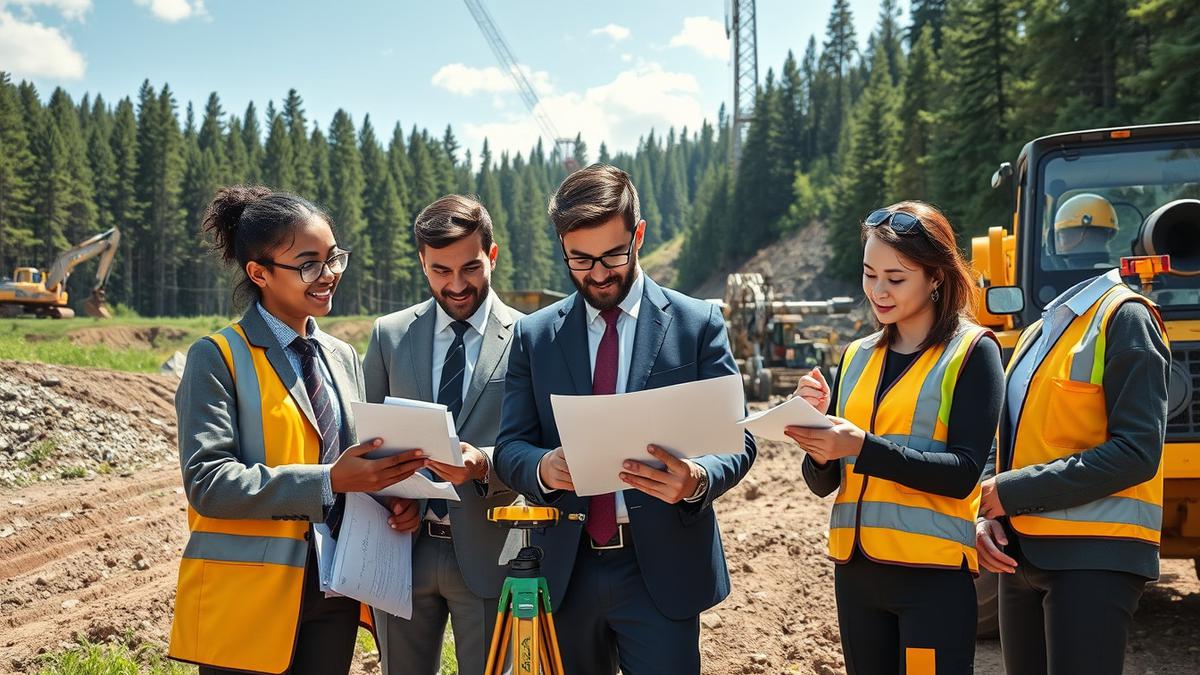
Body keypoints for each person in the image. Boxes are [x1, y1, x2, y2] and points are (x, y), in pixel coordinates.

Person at [493, 164, 756, 675]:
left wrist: (697, 479)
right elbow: (509, 449)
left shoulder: (697, 324)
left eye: (612, 255)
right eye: (580, 259)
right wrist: (545, 468)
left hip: (660, 568)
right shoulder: (534, 335)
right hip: (567, 569)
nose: (596, 273)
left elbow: (738, 442)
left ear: (638, 235)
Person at [167, 185, 423, 675]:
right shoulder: (216, 357)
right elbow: (208, 482)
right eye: (308, 264)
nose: (328, 276)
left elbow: (351, 460)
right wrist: (329, 481)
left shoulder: (342, 356)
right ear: (259, 273)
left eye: (333, 259)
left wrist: (391, 497)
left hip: (335, 587)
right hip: (248, 596)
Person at [789, 201, 1004, 675]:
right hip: (856, 576)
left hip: (930, 581)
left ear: (935, 278)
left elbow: (964, 474)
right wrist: (819, 440)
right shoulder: (856, 357)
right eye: (869, 275)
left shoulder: (973, 353)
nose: (878, 291)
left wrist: (861, 447)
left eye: (895, 278)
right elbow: (825, 483)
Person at [976, 265, 1169, 675]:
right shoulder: (1036, 333)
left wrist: (1010, 492)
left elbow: (1137, 452)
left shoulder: (1126, 317)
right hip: (1020, 555)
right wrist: (985, 510)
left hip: (1095, 555)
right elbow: (1008, 438)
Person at [364, 194, 522, 675]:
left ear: (491, 256)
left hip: (493, 549)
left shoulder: (530, 336)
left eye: (470, 268)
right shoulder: (389, 336)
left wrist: (484, 463)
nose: (456, 285)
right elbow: (365, 441)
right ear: (422, 262)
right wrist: (391, 501)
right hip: (401, 549)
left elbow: (545, 445)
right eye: (440, 271)